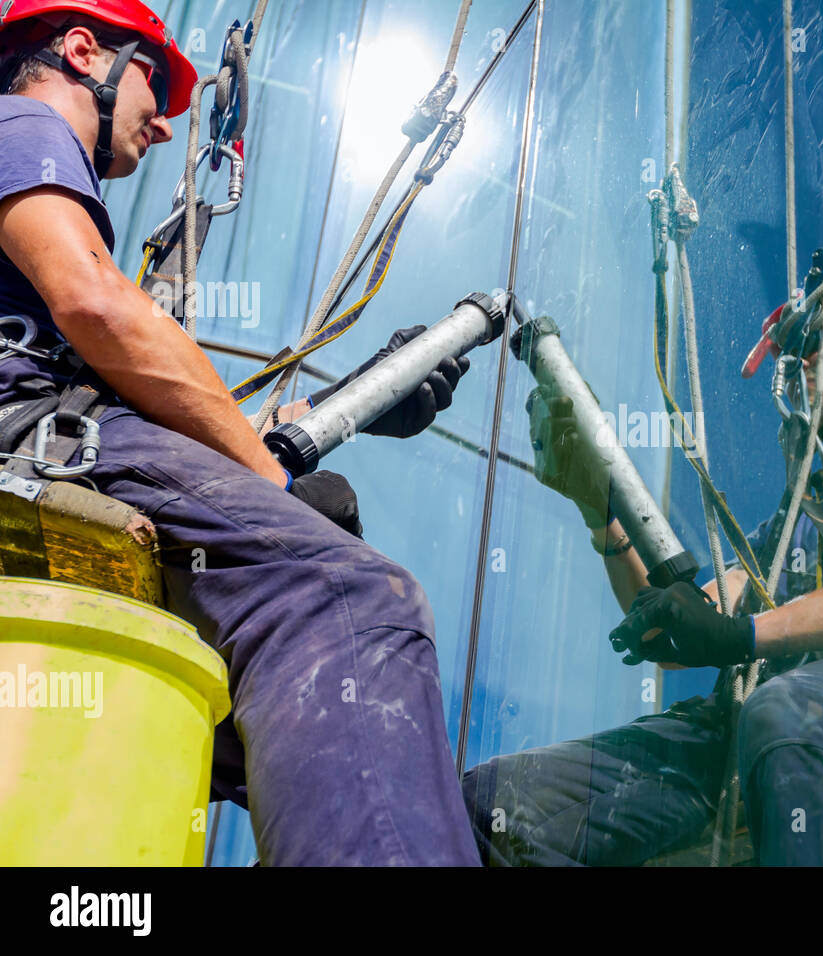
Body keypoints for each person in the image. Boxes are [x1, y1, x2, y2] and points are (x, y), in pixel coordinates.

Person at [0, 0, 479, 865]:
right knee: (348, 599)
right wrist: (272, 477)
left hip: (53, 435)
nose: (168, 118)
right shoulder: (21, 125)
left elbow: (127, 383)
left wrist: (347, 409)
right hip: (37, 438)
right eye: (156, 80)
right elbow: (97, 304)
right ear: (81, 50)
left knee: (253, 724)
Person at [462, 278, 823, 866]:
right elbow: (676, 633)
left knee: (793, 712)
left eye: (810, 339)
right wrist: (601, 509)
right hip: (765, 722)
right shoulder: (787, 529)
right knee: (493, 806)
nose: (794, 362)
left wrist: (747, 635)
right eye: (786, 352)